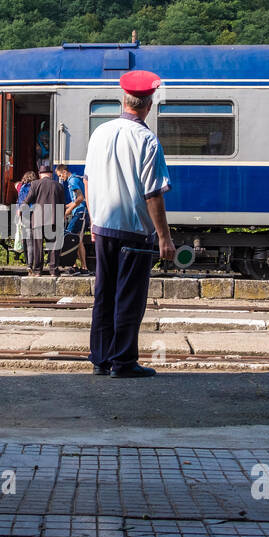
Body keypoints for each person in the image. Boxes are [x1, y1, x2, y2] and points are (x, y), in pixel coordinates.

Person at [83, 69, 175, 378]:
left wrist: (94, 221)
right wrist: (164, 237)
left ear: (124, 99)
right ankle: (122, 362)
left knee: (104, 295)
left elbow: (87, 180)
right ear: (149, 104)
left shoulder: (100, 133)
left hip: (103, 229)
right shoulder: (147, 141)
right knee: (129, 299)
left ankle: (100, 359)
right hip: (134, 233)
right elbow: (153, 195)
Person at [23, 162, 69, 276]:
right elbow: (63, 204)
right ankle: (53, 270)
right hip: (54, 219)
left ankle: (38, 271)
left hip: (38, 221)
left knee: (38, 246)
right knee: (53, 245)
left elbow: (27, 201)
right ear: (50, 174)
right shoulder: (58, 186)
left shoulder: (35, 184)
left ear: (40, 175)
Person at [56, 163, 88, 273]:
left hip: (80, 212)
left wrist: (68, 211)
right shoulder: (75, 179)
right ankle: (80, 267)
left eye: (61, 175)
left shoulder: (72, 181)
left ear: (65, 172)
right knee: (78, 240)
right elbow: (77, 200)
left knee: (71, 237)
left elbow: (80, 198)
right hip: (80, 211)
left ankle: (78, 266)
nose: (61, 178)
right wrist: (66, 206)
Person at [12, 170, 36, 255]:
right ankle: (33, 261)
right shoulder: (35, 186)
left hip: (24, 213)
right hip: (34, 213)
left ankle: (28, 262)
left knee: (26, 238)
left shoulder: (21, 187)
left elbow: (20, 201)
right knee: (33, 239)